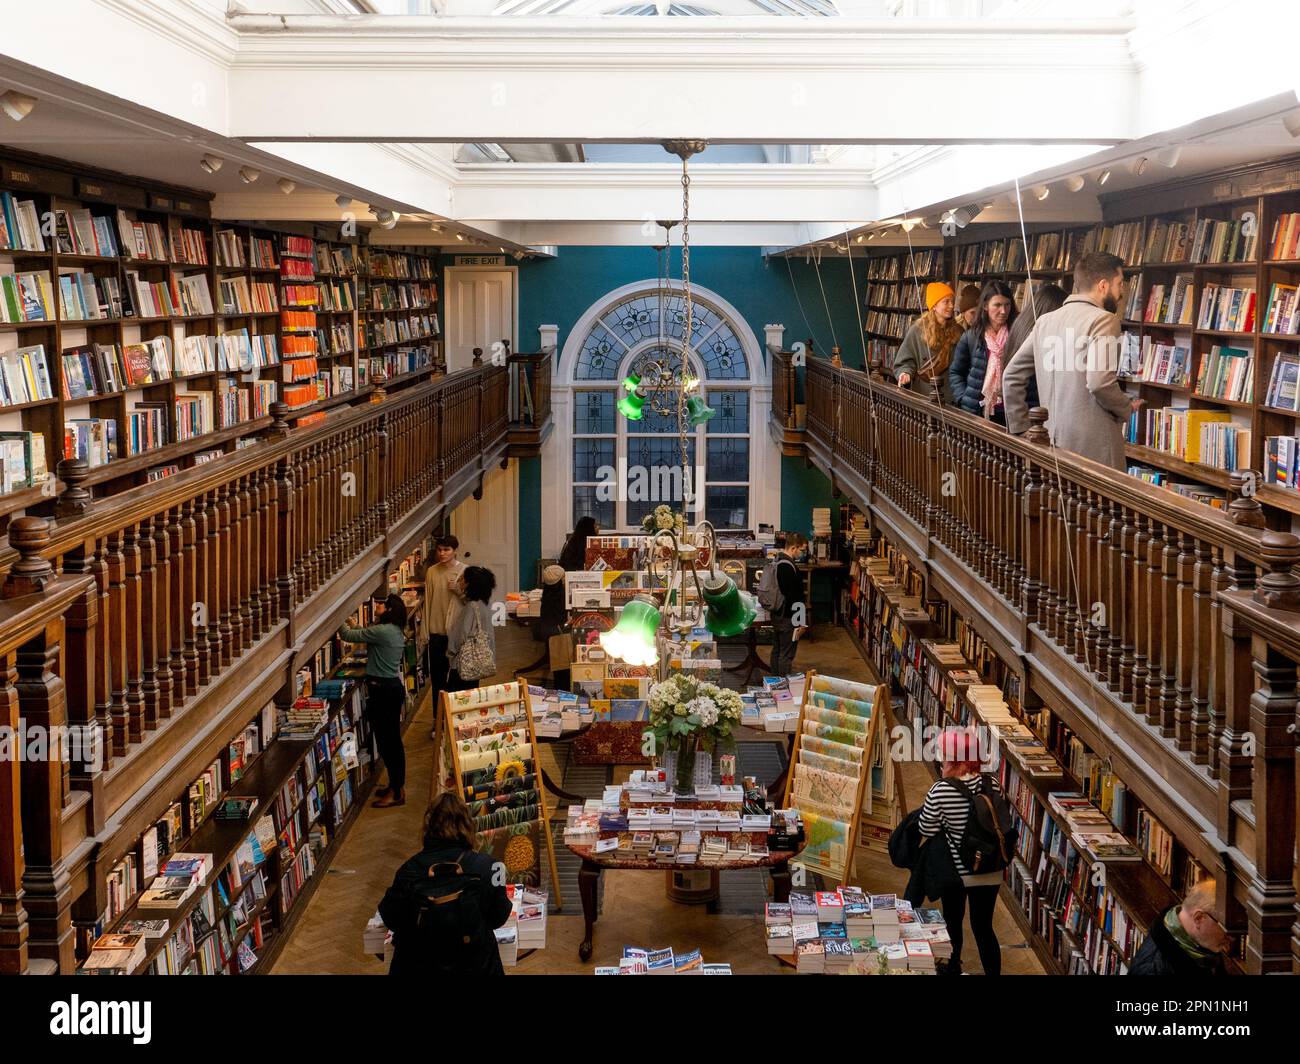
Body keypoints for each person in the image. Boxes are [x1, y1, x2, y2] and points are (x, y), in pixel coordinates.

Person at [1001, 251, 1140, 469]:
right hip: (1094, 449)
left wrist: (1020, 427)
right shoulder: (1104, 320)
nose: (1122, 291)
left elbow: (1011, 375)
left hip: (1051, 441)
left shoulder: (1045, 321)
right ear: (1103, 285)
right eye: (1120, 283)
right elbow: (1100, 382)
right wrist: (1126, 408)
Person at [377, 794, 514, 976]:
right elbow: (499, 917)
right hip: (475, 965)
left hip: (419, 966)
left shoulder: (409, 869)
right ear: (468, 825)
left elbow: (391, 918)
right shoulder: (491, 867)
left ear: (428, 827)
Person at [918, 727, 1006, 975]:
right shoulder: (992, 784)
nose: (940, 759)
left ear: (955, 760)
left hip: (958, 872)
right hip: (990, 870)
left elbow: (926, 827)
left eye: (944, 755)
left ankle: (952, 969)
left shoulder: (941, 790)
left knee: (952, 923)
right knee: (983, 928)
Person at [340, 593, 410, 808]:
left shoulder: (383, 631)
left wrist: (337, 613)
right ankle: (396, 785)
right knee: (391, 742)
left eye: (382, 604)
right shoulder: (392, 630)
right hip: (389, 689)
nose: (378, 605)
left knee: (389, 744)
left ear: (389, 610)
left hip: (384, 692)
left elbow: (348, 636)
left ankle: (397, 792)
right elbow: (365, 634)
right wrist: (354, 623)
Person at [1127, 879, 1229, 975]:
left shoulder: (1198, 941)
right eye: (1224, 927)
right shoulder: (1152, 970)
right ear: (1198, 918)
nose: (1232, 937)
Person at [949, 280, 1017, 424]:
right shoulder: (971, 336)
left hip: (1010, 413)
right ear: (985, 306)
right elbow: (956, 372)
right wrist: (963, 398)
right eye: (997, 305)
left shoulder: (1017, 335)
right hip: (977, 412)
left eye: (1007, 305)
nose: (1003, 311)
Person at [891, 282, 964, 402]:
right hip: (925, 395)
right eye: (946, 301)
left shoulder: (959, 331)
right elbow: (905, 361)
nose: (951, 306)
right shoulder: (918, 330)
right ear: (934, 305)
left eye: (952, 301)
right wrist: (905, 373)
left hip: (952, 397)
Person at [423, 534, 466, 712]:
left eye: (446, 550)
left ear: (455, 551)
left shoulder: (465, 571)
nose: (442, 553)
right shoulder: (432, 571)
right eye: (439, 550)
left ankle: (457, 715)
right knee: (438, 680)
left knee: (458, 678)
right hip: (436, 634)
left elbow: (471, 603)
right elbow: (427, 600)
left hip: (457, 634)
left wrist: (457, 590)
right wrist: (424, 631)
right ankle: (438, 719)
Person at [760, 532, 808, 677]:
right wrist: (800, 621)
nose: (803, 553)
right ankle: (783, 685)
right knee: (786, 654)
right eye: (802, 550)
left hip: (777, 614)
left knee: (777, 650)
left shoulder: (777, 561)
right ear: (794, 548)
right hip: (788, 617)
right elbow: (794, 597)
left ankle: (775, 682)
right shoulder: (787, 567)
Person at [447, 565, 498, 692]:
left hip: (463, 663)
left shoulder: (471, 607)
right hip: (477, 663)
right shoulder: (484, 604)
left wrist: (450, 652)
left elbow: (460, 636)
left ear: (470, 584)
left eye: (463, 579)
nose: (460, 581)